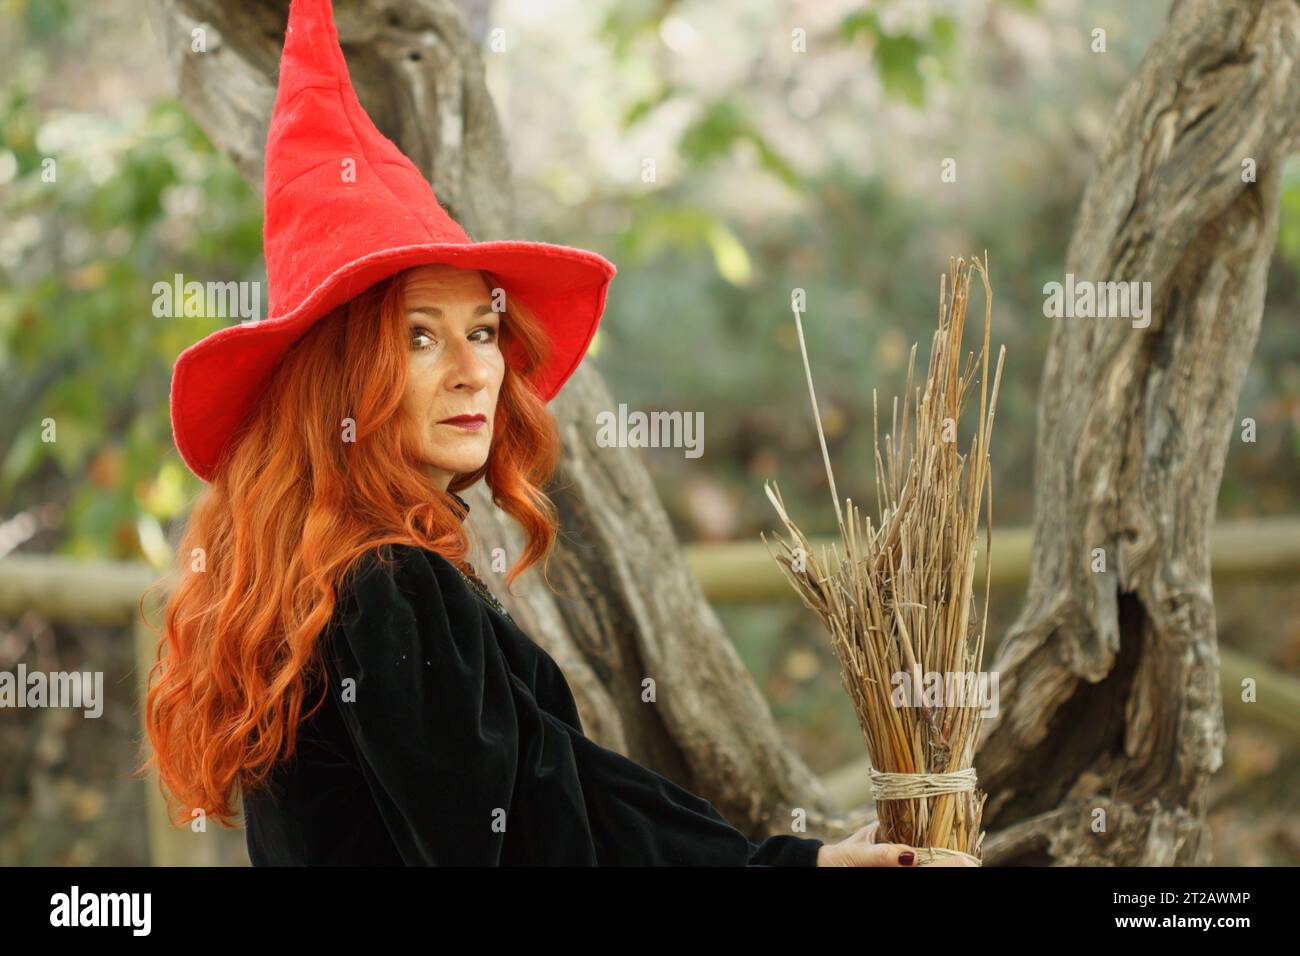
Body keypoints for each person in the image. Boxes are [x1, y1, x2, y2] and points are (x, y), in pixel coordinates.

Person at [140, 0, 974, 868]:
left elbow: (566, 793)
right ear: (335, 379)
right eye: (420, 335)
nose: (475, 369)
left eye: (485, 330)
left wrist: (803, 866)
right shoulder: (385, 587)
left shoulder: (324, 579)